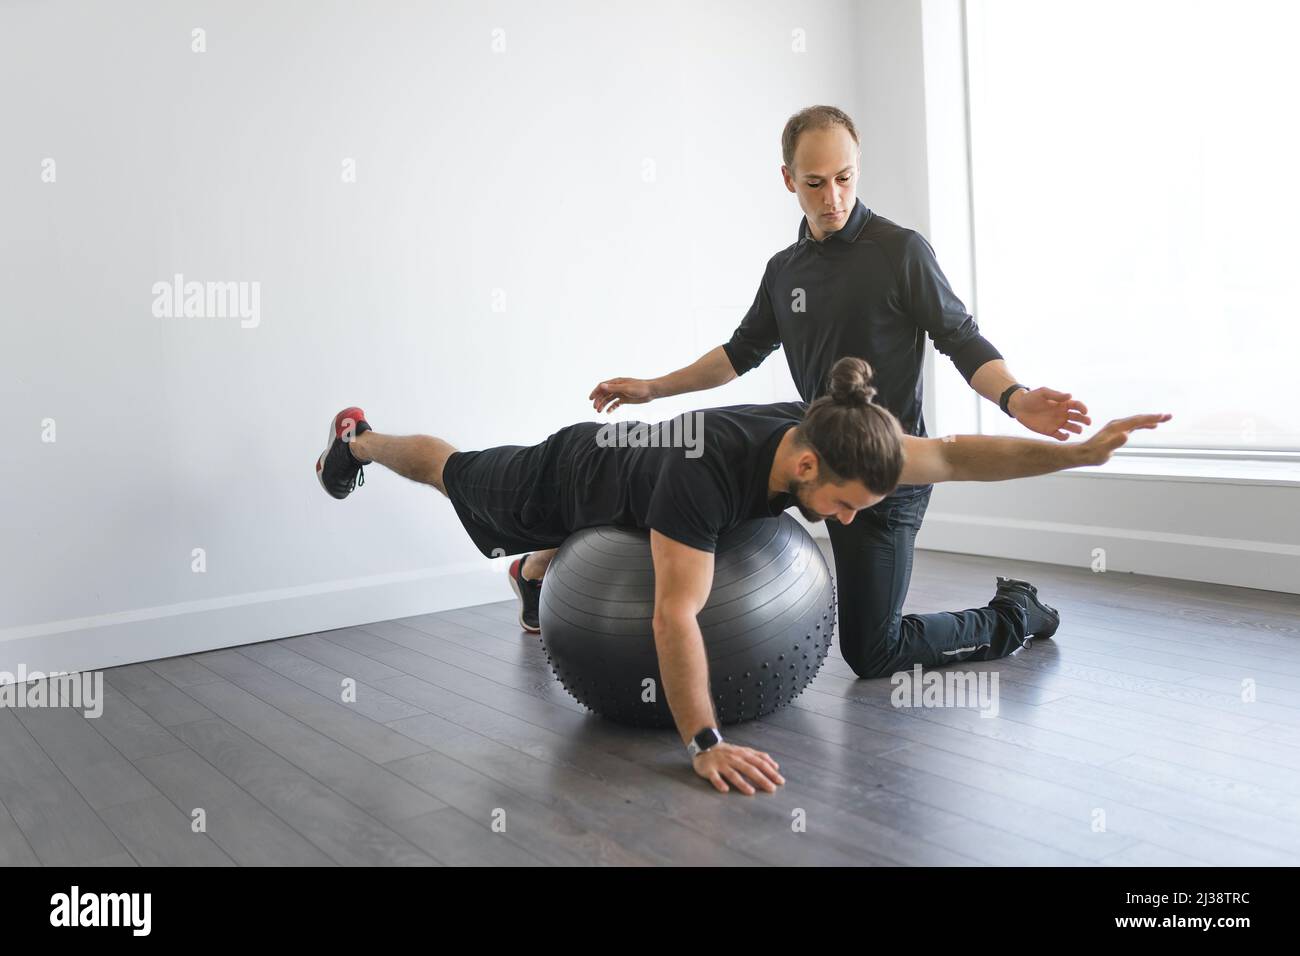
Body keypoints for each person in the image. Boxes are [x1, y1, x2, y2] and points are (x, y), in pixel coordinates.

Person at [315, 356, 1170, 794]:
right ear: (803, 469)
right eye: (838, 505)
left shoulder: (844, 434)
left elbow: (952, 453)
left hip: (633, 499)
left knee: (603, 542)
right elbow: (674, 619)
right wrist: (705, 745)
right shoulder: (703, 479)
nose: (841, 521)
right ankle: (359, 438)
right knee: (453, 471)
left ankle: (539, 576)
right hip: (575, 476)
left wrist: (1077, 455)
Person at [588, 104, 1094, 678]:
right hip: (812, 464)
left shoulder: (901, 252)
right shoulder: (785, 270)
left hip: (888, 473)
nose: (833, 197)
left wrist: (1015, 397)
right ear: (788, 180)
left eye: (845, 177)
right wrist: (654, 388)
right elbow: (738, 354)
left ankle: (1015, 613)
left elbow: (961, 339)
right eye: (814, 183)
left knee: (872, 651)